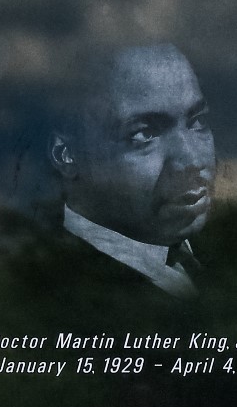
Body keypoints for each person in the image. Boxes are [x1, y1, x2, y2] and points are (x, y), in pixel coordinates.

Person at [46, 42, 215, 299]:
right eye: (143, 134)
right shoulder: (59, 294)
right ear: (67, 155)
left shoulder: (228, 254)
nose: (191, 160)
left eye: (197, 121)